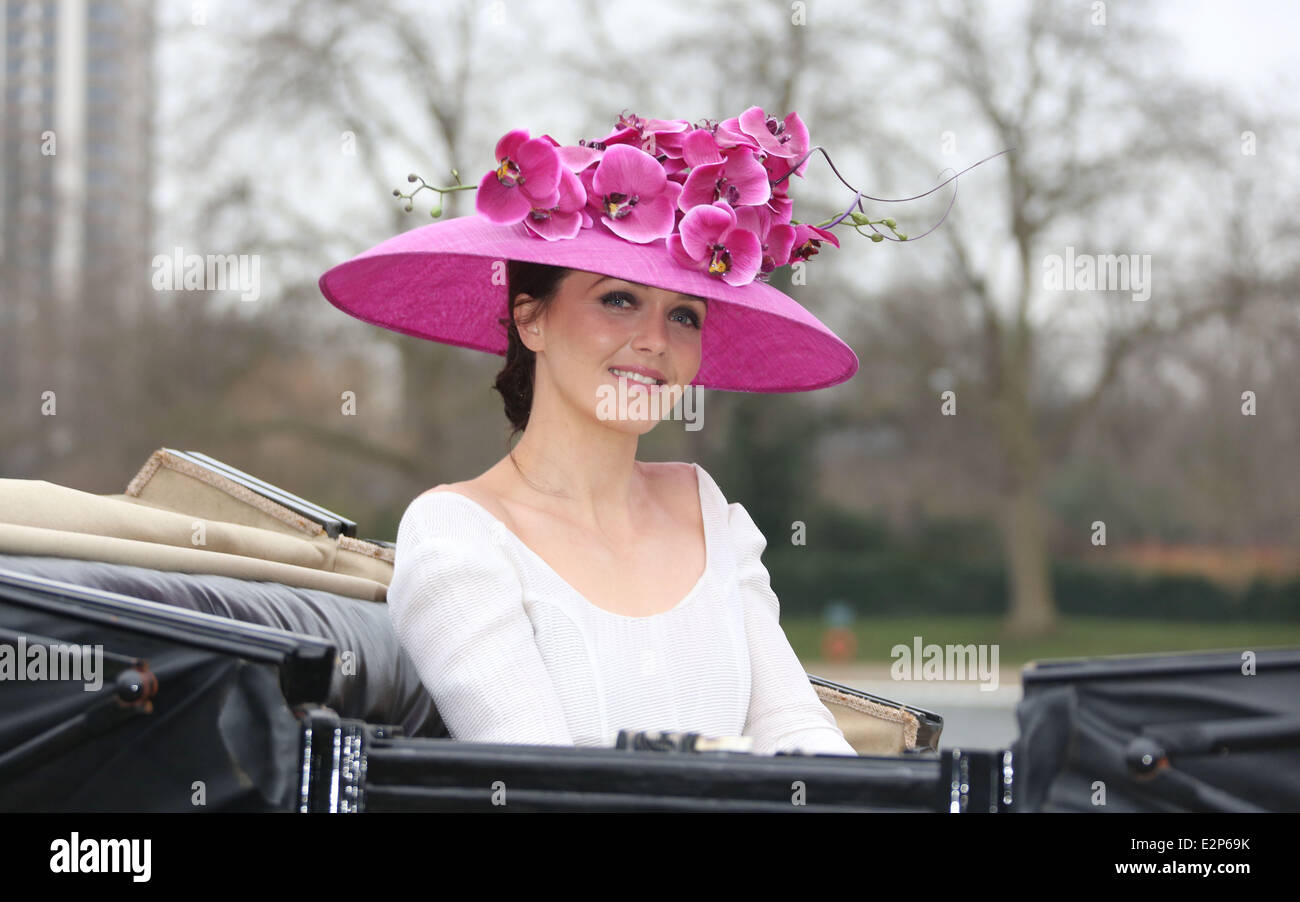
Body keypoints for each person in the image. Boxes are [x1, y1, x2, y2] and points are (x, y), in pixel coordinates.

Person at [319, 107, 867, 755]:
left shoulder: (706, 510)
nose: (656, 342)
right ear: (532, 320)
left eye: (685, 315)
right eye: (618, 300)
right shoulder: (457, 535)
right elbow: (544, 783)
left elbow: (801, 735)